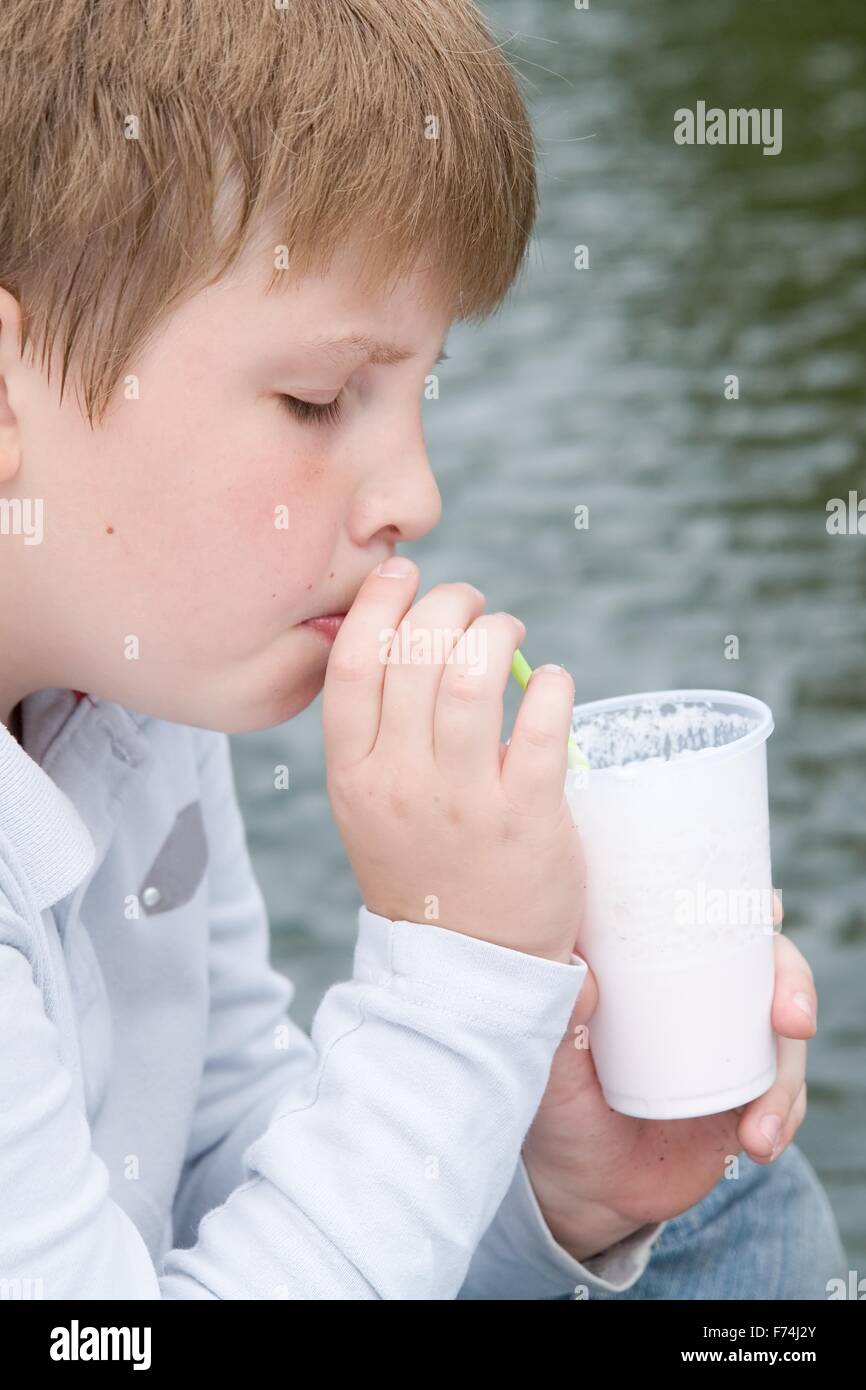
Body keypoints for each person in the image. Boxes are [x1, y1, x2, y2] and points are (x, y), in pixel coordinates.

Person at [0, 0, 846, 1299]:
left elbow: (223, 1173)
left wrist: (563, 1180)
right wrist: (458, 978)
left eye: (417, 389)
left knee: (710, 1177)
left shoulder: (138, 698)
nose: (414, 493)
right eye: (320, 398)